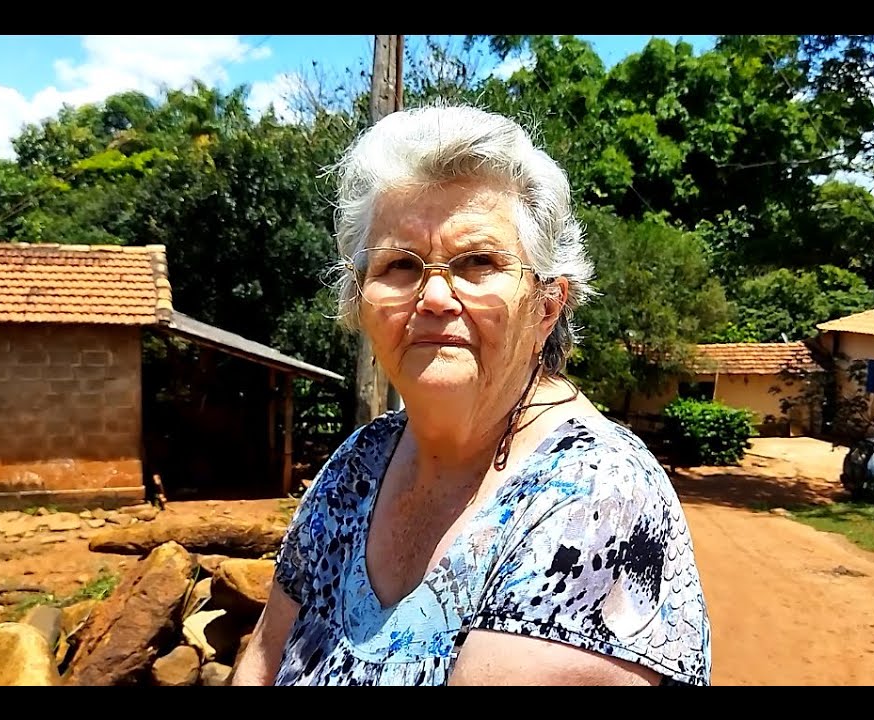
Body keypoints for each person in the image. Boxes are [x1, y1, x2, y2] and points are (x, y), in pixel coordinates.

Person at [230, 103, 712, 686]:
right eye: (399, 266)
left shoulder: (597, 493)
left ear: (547, 305)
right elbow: (262, 658)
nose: (434, 297)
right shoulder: (358, 465)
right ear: (360, 300)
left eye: (478, 261)